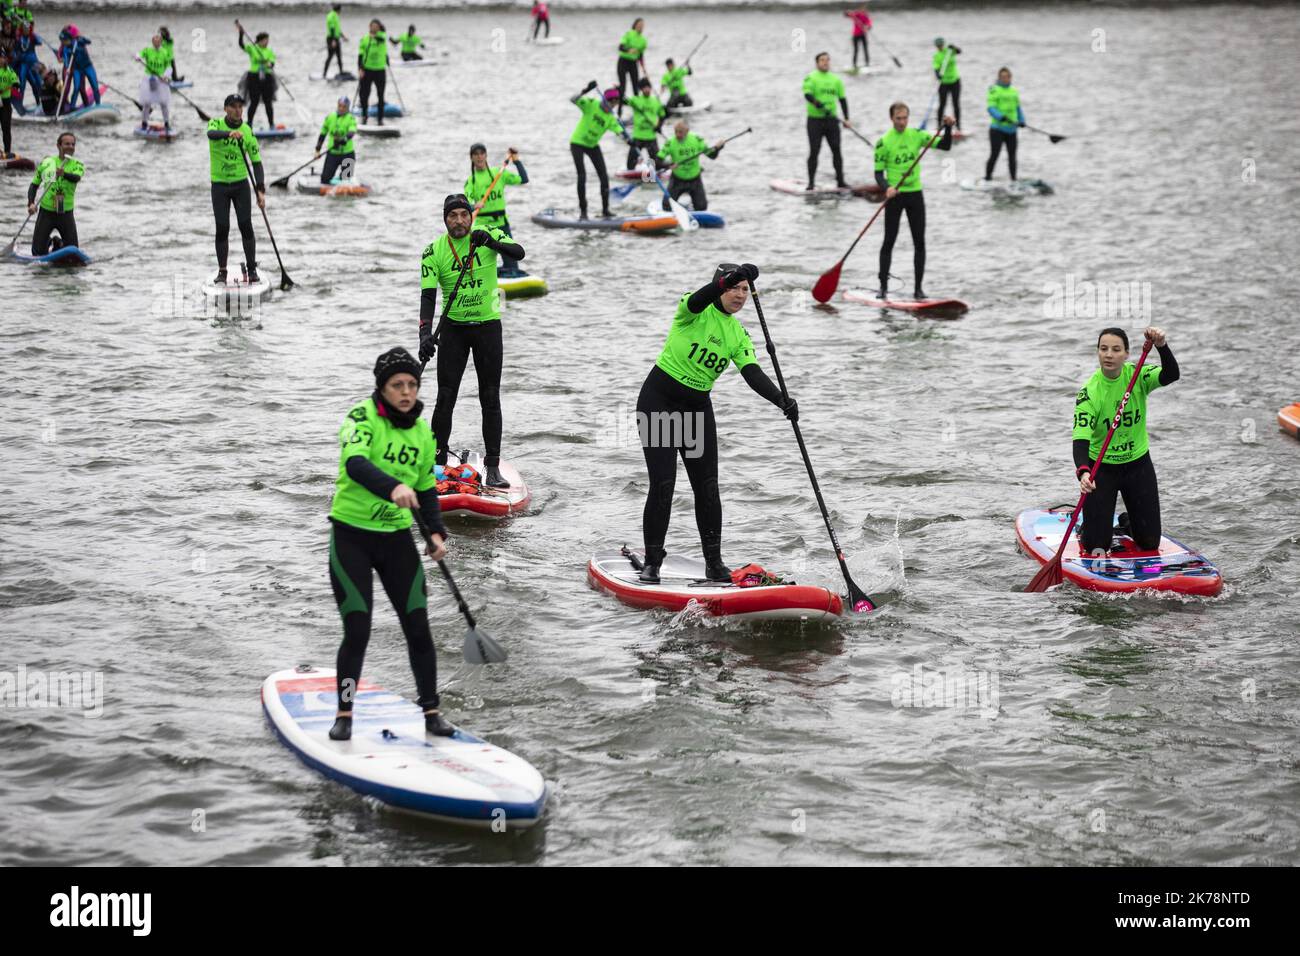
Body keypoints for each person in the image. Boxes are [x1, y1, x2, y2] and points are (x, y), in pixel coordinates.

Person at [635, 263, 798, 583]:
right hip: (659, 403)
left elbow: (752, 373)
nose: (740, 295)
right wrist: (728, 279)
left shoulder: (737, 333)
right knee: (663, 484)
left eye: (744, 290)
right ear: (720, 286)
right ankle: (652, 561)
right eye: (734, 288)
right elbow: (699, 298)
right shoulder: (692, 310)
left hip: (696, 409)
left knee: (707, 488)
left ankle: (714, 563)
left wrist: (782, 400)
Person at [326, 347, 454, 742]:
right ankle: (345, 713)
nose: (406, 392)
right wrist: (392, 486)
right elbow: (355, 464)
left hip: (397, 540)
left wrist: (435, 533)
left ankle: (431, 712)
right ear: (382, 388)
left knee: (418, 626)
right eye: (397, 385)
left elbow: (426, 488)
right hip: (351, 536)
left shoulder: (420, 431)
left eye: (412, 385)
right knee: (358, 628)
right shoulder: (361, 418)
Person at [417, 194, 526, 488]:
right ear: (445, 219)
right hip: (453, 330)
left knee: (489, 398)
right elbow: (428, 297)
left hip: (488, 328)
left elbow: (518, 253)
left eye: (463, 215)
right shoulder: (433, 251)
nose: (459, 221)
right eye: (452, 216)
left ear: (471, 217)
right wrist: (424, 334)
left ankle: (493, 468)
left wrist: (493, 243)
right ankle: (437, 464)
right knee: (445, 397)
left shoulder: (487, 233)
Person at [1073, 327, 1179, 556]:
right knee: (1097, 548)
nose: (1109, 354)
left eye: (1116, 349)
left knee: (1150, 542)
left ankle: (1127, 521)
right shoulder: (1090, 392)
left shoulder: (1138, 375)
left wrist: (1161, 346)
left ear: (1127, 354)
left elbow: (1171, 375)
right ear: (1098, 353)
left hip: (1137, 466)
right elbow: (1080, 440)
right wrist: (1083, 473)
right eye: (1103, 349)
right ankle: (1090, 526)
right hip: (1101, 470)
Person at [873, 102, 953, 300]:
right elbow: (878, 173)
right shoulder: (883, 142)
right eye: (898, 118)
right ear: (891, 118)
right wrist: (887, 188)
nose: (902, 122)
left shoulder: (916, 135)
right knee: (889, 241)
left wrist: (949, 128)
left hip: (915, 195)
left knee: (920, 242)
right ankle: (883, 287)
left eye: (905, 118)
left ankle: (918, 289)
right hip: (895, 197)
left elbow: (945, 145)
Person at [206, 93, 265, 284]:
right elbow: (211, 134)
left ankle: (252, 269)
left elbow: (256, 163)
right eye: (233, 106)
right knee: (222, 228)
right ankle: (222, 272)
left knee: (245, 226)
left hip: (241, 185)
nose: (238, 110)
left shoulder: (248, 131)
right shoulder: (215, 124)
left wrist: (260, 190)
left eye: (240, 107)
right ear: (226, 109)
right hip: (220, 185)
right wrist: (229, 133)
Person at [568, 80, 632, 219]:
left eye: (615, 104)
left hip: (592, 146)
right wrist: (585, 90)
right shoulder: (591, 104)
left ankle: (605, 210)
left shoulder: (610, 117)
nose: (613, 107)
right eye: (612, 103)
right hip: (577, 143)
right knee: (582, 176)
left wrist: (629, 140)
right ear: (606, 100)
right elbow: (573, 99)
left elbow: (619, 131)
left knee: (604, 177)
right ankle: (583, 212)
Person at [463, 143, 528, 277]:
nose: (479, 157)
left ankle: (504, 273)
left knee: (513, 266)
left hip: (503, 225)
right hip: (483, 229)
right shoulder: (471, 181)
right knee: (481, 265)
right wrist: (474, 205)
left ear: (486, 155)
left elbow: (524, 179)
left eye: (482, 153)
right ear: (471, 158)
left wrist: (516, 160)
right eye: (476, 154)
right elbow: (465, 206)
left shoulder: (499, 173)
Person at [26, 130, 82, 254]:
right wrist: (31, 203)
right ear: (59, 146)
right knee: (37, 252)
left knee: (73, 252)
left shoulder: (77, 165)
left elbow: (76, 178)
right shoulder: (47, 163)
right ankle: (51, 242)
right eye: (67, 144)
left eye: (73, 145)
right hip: (46, 213)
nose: (70, 147)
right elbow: (34, 185)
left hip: (66, 213)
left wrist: (63, 174)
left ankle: (59, 243)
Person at [802, 51, 851, 190]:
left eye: (827, 60)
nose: (825, 62)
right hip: (815, 121)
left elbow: (842, 99)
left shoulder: (836, 80)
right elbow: (807, 95)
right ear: (817, 63)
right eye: (822, 60)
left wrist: (847, 118)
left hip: (832, 121)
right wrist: (817, 103)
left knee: (836, 150)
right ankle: (811, 183)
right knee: (814, 150)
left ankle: (841, 181)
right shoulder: (810, 78)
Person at [657, 120, 723, 211]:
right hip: (677, 180)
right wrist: (669, 164)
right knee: (666, 206)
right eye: (676, 131)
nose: (678, 134)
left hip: (695, 180)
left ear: (687, 131)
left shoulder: (696, 139)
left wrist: (717, 148)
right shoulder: (670, 142)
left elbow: (712, 156)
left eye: (680, 132)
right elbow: (658, 160)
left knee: (702, 207)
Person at [985, 67, 1025, 181]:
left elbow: (1018, 108)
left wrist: (1022, 121)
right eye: (1002, 77)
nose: (1005, 79)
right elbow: (990, 108)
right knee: (995, 155)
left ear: (1010, 77)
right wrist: (1000, 117)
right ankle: (987, 178)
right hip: (997, 129)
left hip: (1012, 130)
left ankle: (1014, 180)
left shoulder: (1014, 91)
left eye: (1007, 76)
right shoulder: (994, 90)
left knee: (1012, 157)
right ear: (999, 78)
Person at [235, 21, 277, 129]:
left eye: (268, 40)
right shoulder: (252, 48)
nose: (267, 42)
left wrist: (270, 64)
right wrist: (241, 34)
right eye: (265, 40)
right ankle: (249, 124)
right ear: (261, 40)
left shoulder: (269, 51)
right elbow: (241, 45)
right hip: (254, 77)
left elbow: (273, 63)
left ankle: (271, 124)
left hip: (267, 78)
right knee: (254, 101)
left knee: (268, 102)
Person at [135, 33, 173, 131]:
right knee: (147, 103)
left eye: (158, 41)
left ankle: (167, 123)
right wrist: (138, 57)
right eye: (155, 41)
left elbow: (169, 67)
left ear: (161, 42)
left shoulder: (165, 52)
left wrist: (165, 75)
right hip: (149, 79)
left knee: (164, 103)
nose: (156, 43)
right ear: (152, 42)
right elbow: (139, 54)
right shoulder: (147, 50)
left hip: (160, 80)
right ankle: (144, 122)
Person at [626, 76, 665, 170]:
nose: (647, 89)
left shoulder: (656, 101)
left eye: (648, 87)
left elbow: (662, 115)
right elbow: (623, 100)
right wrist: (618, 90)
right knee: (630, 165)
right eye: (644, 88)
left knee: (657, 165)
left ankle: (653, 170)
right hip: (638, 136)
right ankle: (639, 161)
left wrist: (659, 126)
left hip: (651, 136)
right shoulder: (636, 100)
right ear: (641, 89)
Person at [314, 96, 356, 183]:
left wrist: (345, 139)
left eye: (344, 107)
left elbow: (352, 131)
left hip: (347, 154)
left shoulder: (351, 118)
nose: (341, 108)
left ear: (348, 108)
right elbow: (323, 134)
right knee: (325, 179)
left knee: (345, 180)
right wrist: (317, 150)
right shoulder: (330, 117)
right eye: (340, 106)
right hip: (332, 153)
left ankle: (343, 181)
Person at [58, 24, 98, 111]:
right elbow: (61, 57)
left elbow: (88, 43)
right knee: (66, 89)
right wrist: (63, 60)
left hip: (79, 68)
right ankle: (62, 108)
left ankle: (87, 105)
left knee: (81, 88)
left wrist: (80, 39)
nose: (63, 42)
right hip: (68, 69)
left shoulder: (79, 43)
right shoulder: (64, 47)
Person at [357, 19, 388, 126]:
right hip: (367, 70)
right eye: (373, 26)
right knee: (364, 95)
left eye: (376, 26)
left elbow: (381, 38)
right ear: (369, 27)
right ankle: (364, 116)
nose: (374, 28)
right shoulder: (364, 39)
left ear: (379, 28)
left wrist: (374, 36)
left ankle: (380, 119)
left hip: (380, 70)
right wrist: (360, 69)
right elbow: (360, 55)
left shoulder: (382, 36)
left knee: (380, 95)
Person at [10, 19, 43, 114]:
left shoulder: (32, 38)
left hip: (34, 64)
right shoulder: (18, 39)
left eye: (28, 29)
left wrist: (35, 35)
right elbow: (14, 51)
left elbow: (40, 42)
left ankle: (40, 104)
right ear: (22, 29)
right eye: (25, 28)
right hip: (24, 64)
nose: (27, 30)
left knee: (38, 83)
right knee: (22, 85)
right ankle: (20, 106)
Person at [615, 17, 646, 115]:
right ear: (635, 25)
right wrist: (629, 50)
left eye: (642, 26)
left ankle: (637, 111)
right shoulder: (628, 34)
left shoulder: (643, 40)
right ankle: (619, 112)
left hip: (633, 63)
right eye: (639, 25)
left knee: (635, 87)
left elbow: (640, 55)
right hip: (623, 62)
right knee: (623, 87)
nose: (641, 27)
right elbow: (620, 47)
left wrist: (644, 68)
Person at [932, 37, 962, 130]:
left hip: (955, 81)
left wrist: (954, 47)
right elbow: (936, 68)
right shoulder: (936, 55)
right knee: (942, 104)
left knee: (955, 104)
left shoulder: (949, 51)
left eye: (941, 45)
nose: (940, 47)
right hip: (944, 83)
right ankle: (938, 126)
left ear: (943, 44)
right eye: (938, 46)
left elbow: (959, 51)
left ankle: (958, 126)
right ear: (936, 46)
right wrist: (938, 74)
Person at [323, 4, 346, 78]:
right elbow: (332, 28)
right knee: (330, 56)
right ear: (338, 10)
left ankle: (341, 72)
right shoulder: (331, 16)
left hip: (336, 38)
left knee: (339, 56)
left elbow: (337, 29)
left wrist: (343, 37)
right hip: (331, 39)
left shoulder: (336, 16)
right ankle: (324, 73)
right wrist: (333, 40)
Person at [0, 49, 15, 156]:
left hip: (5, 103)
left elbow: (15, 81)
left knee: (6, 128)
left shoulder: (9, 70)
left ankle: (7, 151)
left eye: (2, 58)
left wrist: (15, 85)